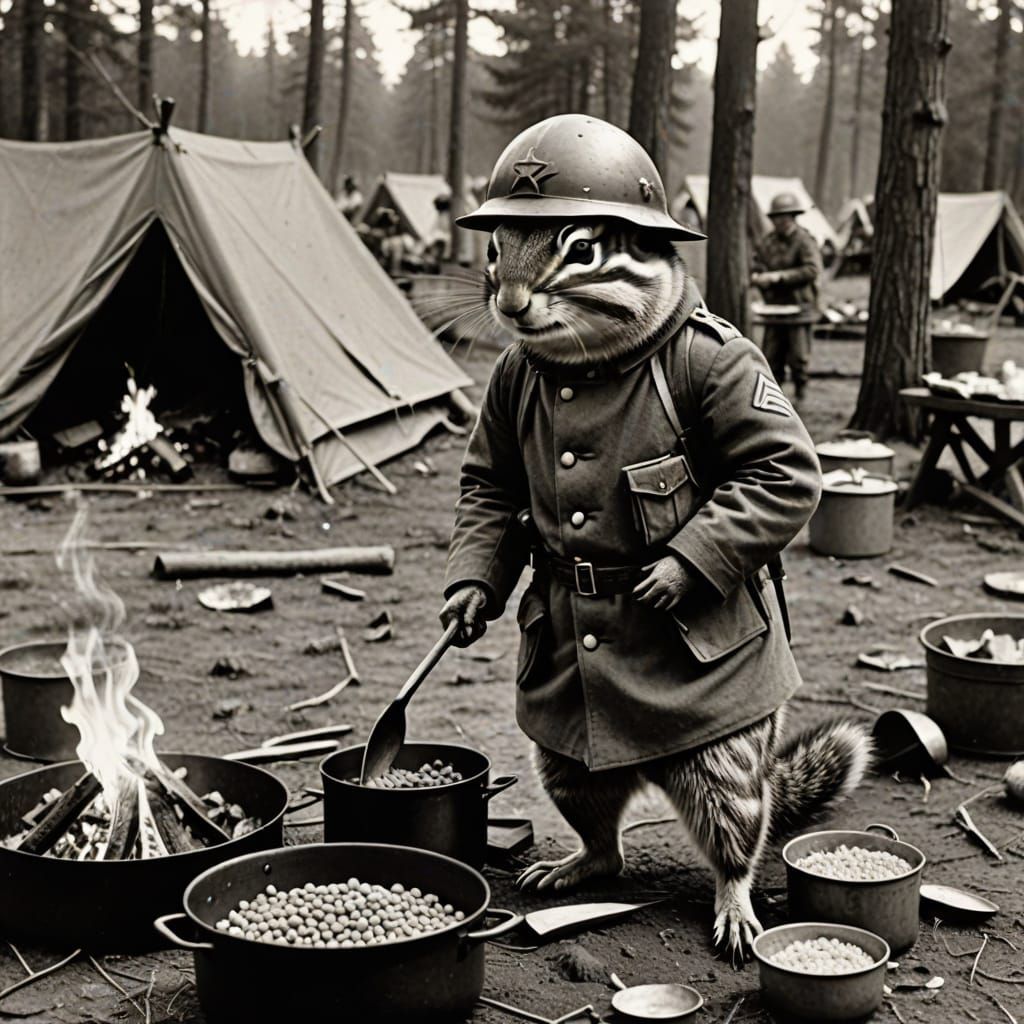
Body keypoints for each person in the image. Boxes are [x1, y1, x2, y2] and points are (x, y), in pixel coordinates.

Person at [438, 114, 869, 959]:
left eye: (575, 255)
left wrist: (696, 555)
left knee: (720, 780)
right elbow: (489, 483)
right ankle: (599, 851)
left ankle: (733, 882)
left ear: (646, 249)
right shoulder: (516, 375)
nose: (513, 296)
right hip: (575, 637)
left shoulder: (706, 360)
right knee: (566, 763)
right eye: (502, 260)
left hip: (692, 649)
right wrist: (476, 578)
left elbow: (786, 474)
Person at [750, 192, 823, 401]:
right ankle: (775, 398)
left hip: (800, 308)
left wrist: (779, 277)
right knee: (772, 356)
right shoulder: (768, 242)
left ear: (793, 217)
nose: (781, 221)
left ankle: (801, 394)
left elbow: (812, 270)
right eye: (777, 217)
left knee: (799, 357)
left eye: (786, 216)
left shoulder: (804, 241)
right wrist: (757, 275)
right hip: (773, 308)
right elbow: (756, 262)